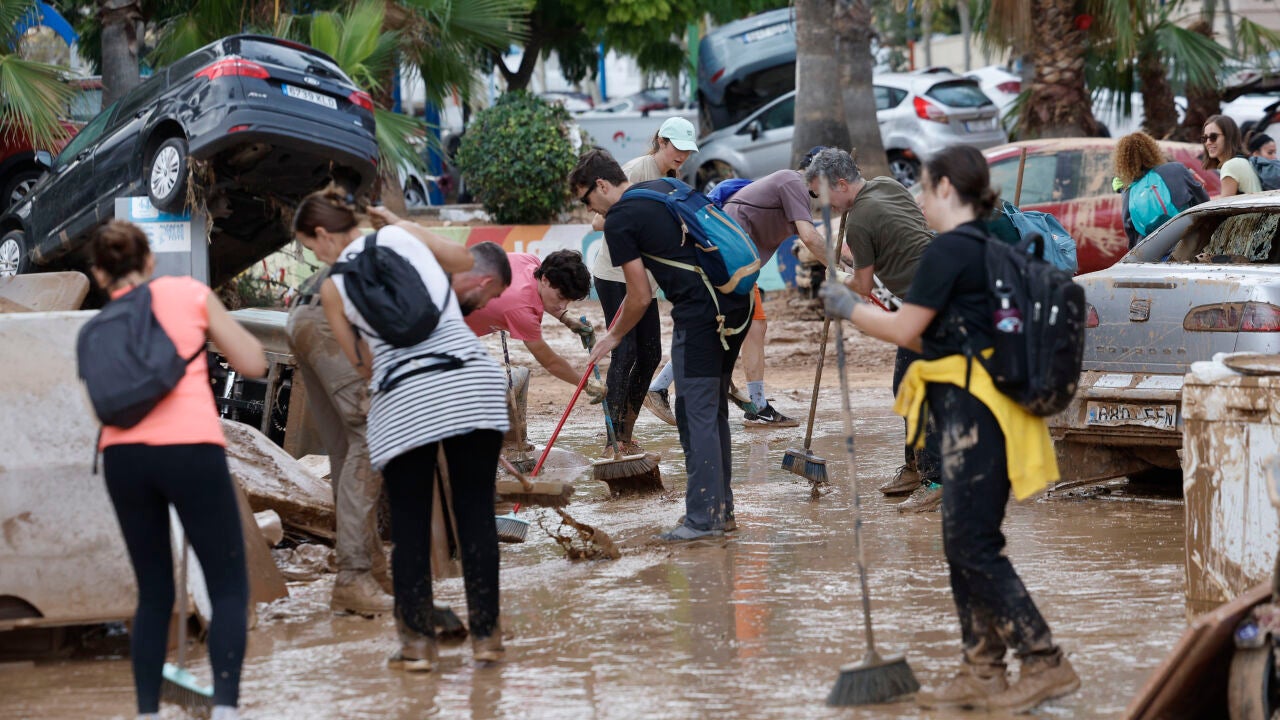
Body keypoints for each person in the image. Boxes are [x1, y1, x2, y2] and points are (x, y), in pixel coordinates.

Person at [819, 145, 1080, 713]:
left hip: (976, 412)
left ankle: (1043, 660)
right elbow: (925, 339)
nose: (916, 201)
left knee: (972, 543)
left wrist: (845, 303)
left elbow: (906, 328)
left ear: (944, 190)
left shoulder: (951, 252)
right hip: (993, 407)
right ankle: (981, 668)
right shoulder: (989, 245)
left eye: (923, 188)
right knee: (962, 540)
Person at [294, 189, 510, 669]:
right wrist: (397, 220)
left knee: (410, 527)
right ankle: (488, 640)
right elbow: (464, 259)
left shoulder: (333, 285)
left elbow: (364, 364)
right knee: (475, 515)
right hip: (472, 381)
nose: (317, 255)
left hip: (405, 400)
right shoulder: (402, 233)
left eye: (313, 247)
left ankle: (417, 648)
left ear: (324, 235)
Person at [91, 220, 267, 720]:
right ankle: (227, 710)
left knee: (153, 592)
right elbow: (252, 362)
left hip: (122, 458)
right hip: (190, 448)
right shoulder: (188, 293)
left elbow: (100, 406)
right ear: (149, 262)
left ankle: (148, 713)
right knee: (228, 584)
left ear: (99, 274)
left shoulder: (99, 324)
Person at [571, 148, 752, 541]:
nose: (592, 211)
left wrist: (612, 338)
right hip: (737, 303)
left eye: (587, 200)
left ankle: (703, 519)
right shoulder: (663, 186)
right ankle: (722, 512)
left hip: (702, 313)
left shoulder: (619, 219)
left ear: (601, 186)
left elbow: (637, 297)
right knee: (711, 408)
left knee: (694, 412)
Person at [646, 148, 830, 428]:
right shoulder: (794, 182)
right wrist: (841, 269)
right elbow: (810, 237)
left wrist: (845, 263)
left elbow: (813, 239)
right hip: (727, 264)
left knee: (754, 329)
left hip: (737, 268)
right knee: (710, 332)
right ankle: (659, 387)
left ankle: (756, 406)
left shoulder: (795, 192)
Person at [807, 147, 943, 512]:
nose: (826, 206)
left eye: (826, 196)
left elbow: (865, 287)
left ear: (840, 183)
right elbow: (898, 237)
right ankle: (917, 468)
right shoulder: (885, 183)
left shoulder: (860, 218)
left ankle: (936, 481)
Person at [287, 271, 395, 615]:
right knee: (371, 439)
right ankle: (354, 577)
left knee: (346, 450)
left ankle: (371, 567)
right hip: (330, 322)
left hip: (303, 315)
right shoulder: (439, 281)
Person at [591, 117, 696, 447]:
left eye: (687, 150)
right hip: (614, 274)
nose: (682, 155)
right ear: (662, 142)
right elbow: (598, 221)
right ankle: (612, 439)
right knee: (625, 350)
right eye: (676, 147)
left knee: (650, 354)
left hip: (644, 281)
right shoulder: (636, 171)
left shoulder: (672, 179)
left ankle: (626, 432)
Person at [463, 248, 604, 404]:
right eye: (561, 297)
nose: (563, 305)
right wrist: (586, 384)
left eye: (568, 301)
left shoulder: (530, 262)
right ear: (544, 279)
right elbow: (550, 362)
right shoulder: (522, 311)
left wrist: (566, 318)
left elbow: (538, 295)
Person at [1115, 132, 1210, 248]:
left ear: (1123, 161)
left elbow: (1130, 230)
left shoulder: (1128, 191)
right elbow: (1204, 202)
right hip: (1188, 243)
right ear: (1152, 149)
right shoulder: (1176, 169)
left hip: (1154, 252)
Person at [1203, 114, 1260, 196]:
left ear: (1228, 137)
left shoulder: (1230, 165)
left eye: (1213, 137)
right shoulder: (1242, 161)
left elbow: (1223, 206)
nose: (1208, 142)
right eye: (1204, 138)